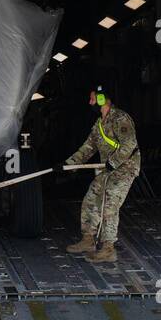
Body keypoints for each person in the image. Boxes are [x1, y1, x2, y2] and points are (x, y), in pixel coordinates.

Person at [64, 86, 140, 264]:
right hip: (108, 170)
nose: (89, 102)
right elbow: (87, 149)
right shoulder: (99, 125)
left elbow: (129, 145)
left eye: (92, 99)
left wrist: (113, 163)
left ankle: (108, 249)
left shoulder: (120, 118)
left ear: (101, 99)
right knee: (91, 199)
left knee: (109, 203)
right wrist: (68, 165)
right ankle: (88, 240)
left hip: (124, 169)